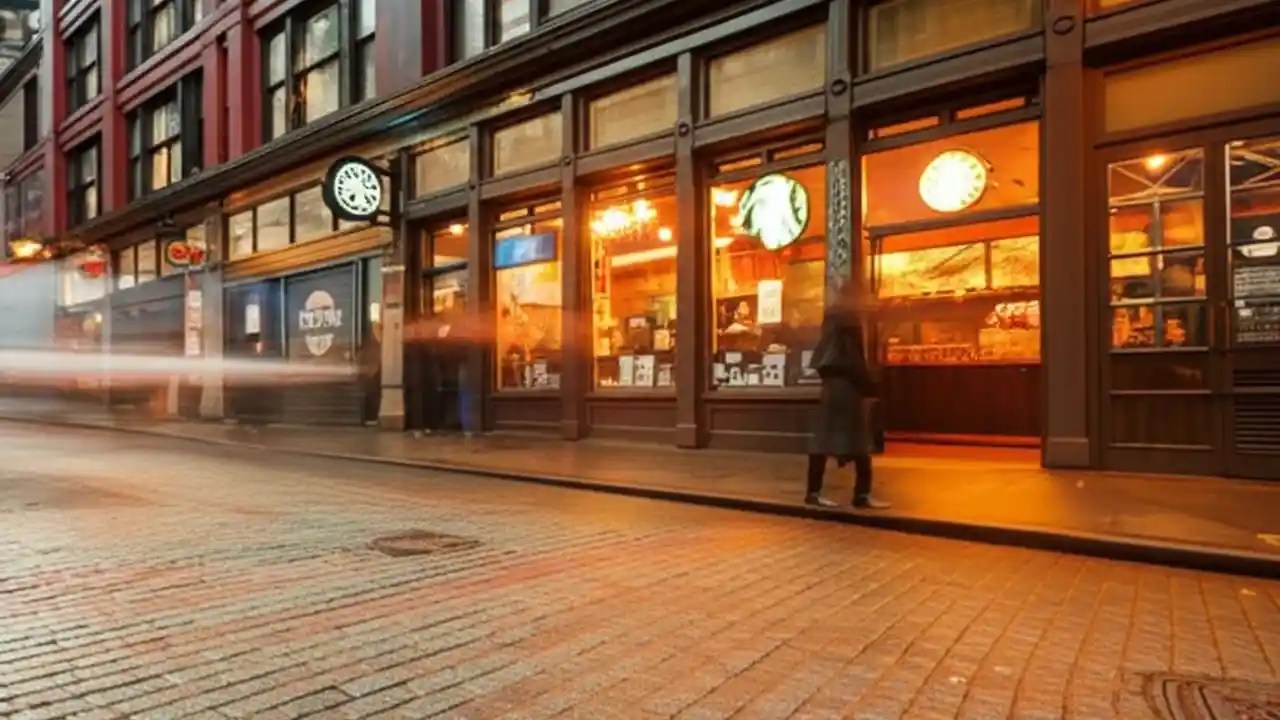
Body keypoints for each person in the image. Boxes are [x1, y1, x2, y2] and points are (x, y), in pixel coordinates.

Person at [805, 301, 889, 509]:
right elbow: (856, 366)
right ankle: (861, 494)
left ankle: (814, 492)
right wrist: (869, 388)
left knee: (823, 443)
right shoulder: (849, 339)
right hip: (848, 394)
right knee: (860, 444)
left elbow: (821, 364)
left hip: (831, 393)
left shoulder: (829, 342)